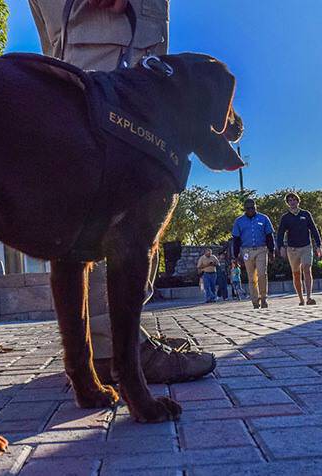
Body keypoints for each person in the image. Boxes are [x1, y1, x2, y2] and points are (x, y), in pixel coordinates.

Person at [28, 0, 215, 384]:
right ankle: (114, 349)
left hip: (115, 32)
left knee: (117, 178)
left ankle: (116, 339)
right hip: (106, 29)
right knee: (115, 187)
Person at [277, 192, 322, 305]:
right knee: (296, 274)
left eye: (294, 200)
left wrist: (319, 245)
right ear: (287, 203)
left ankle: (309, 297)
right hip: (292, 249)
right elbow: (280, 233)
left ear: (298, 201)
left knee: (307, 269)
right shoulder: (285, 217)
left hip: (306, 247)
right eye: (290, 200)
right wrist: (281, 247)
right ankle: (301, 299)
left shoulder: (305, 214)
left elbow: (314, 230)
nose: (292, 202)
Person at [232, 198, 276, 308]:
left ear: (256, 207)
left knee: (262, 274)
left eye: (252, 208)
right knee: (251, 277)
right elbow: (236, 239)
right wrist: (236, 256)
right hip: (246, 251)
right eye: (248, 208)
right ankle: (255, 301)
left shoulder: (264, 218)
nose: (251, 210)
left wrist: (272, 251)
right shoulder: (239, 221)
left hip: (261, 249)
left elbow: (269, 236)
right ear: (244, 209)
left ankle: (264, 298)